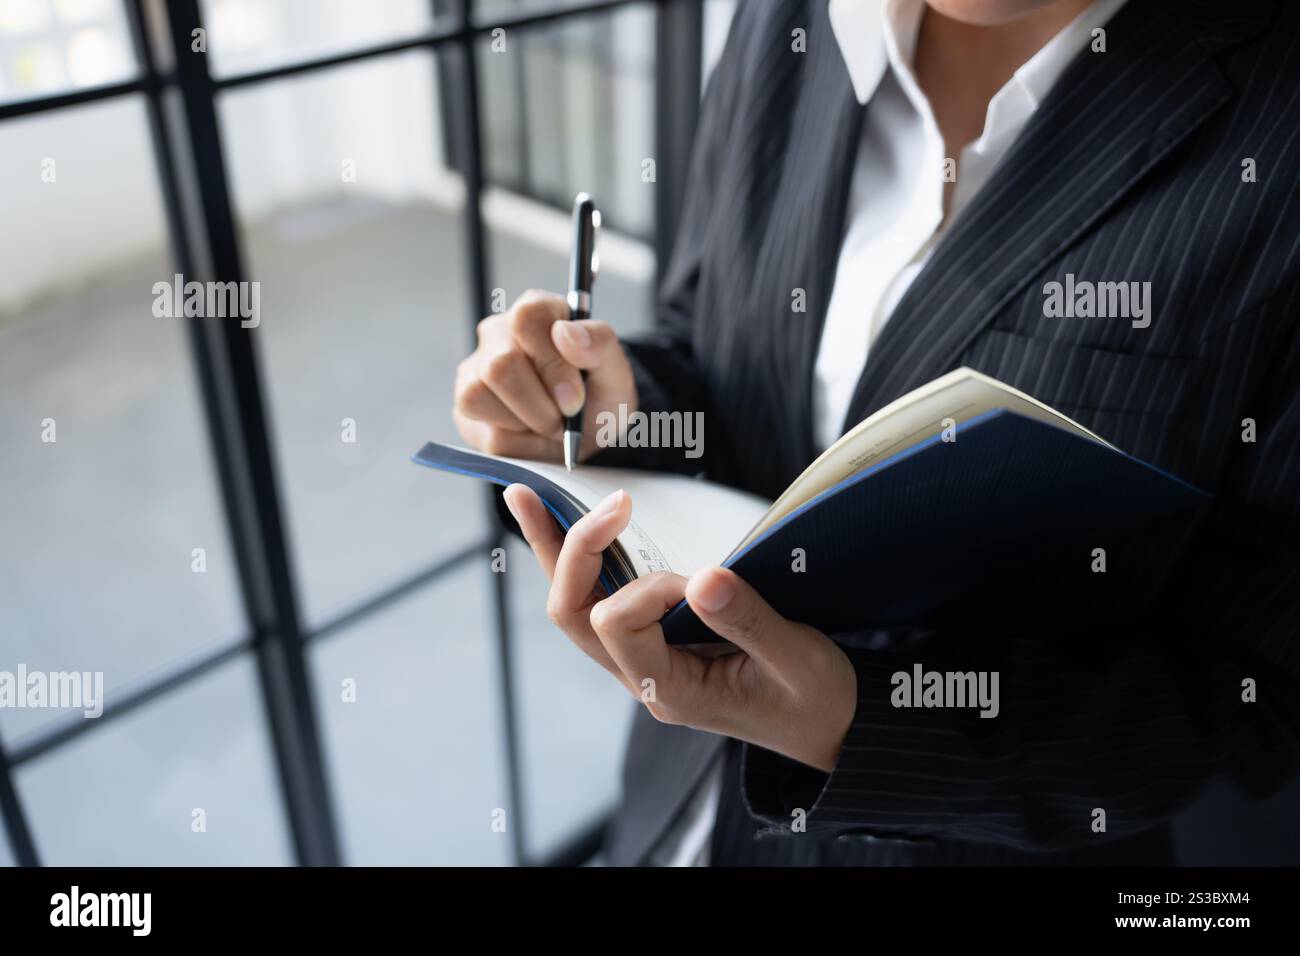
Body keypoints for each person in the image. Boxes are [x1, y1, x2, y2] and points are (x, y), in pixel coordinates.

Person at [450, 0, 1300, 865]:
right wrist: (608, 413)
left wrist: (862, 725)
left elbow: (1259, 692)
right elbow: (714, 342)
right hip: (675, 814)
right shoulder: (785, 23)